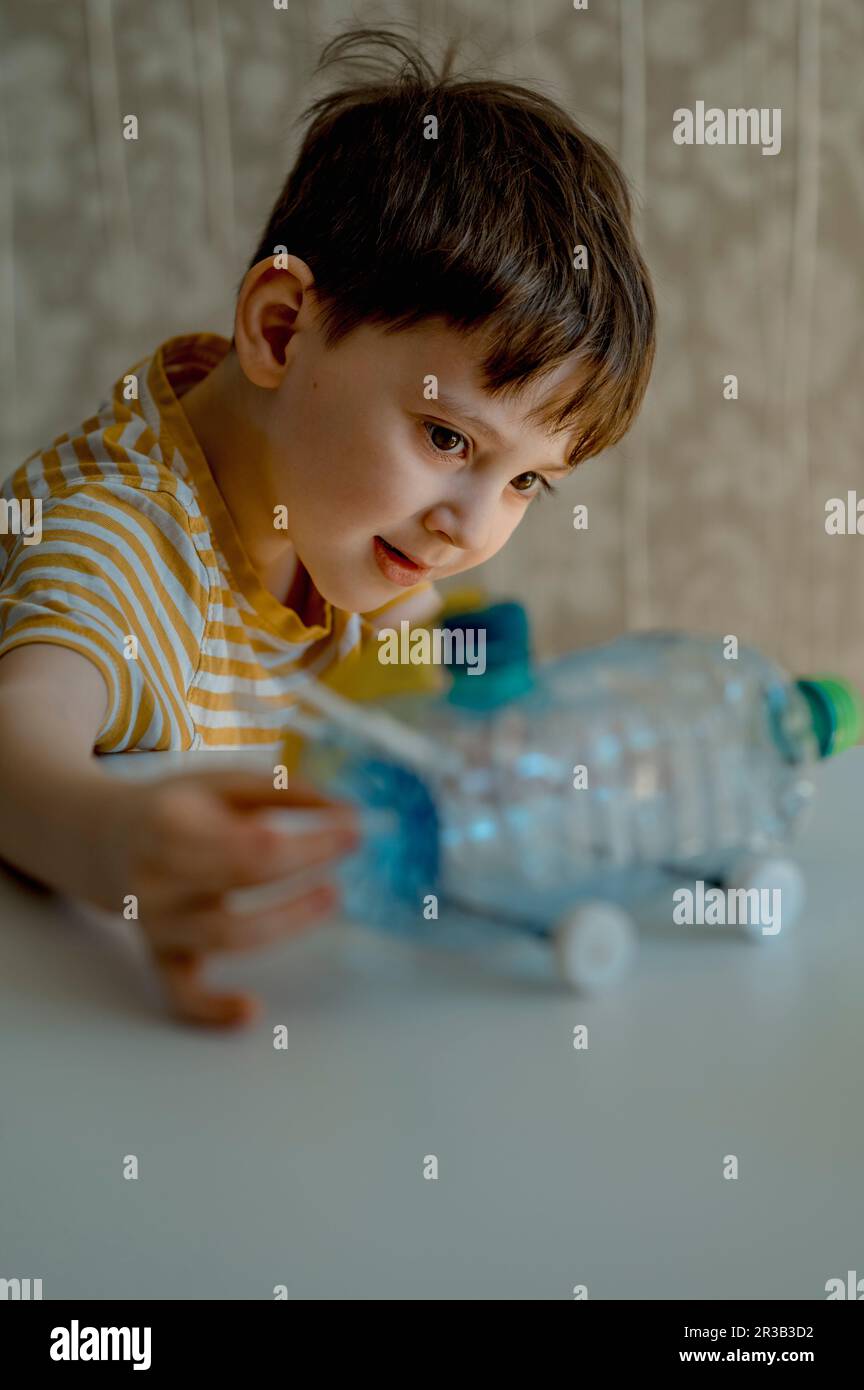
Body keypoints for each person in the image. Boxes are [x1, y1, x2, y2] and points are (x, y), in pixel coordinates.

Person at [0, 28, 655, 1026]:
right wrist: (115, 841)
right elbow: (16, 738)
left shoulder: (343, 527)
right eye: (446, 436)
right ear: (279, 329)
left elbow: (443, 683)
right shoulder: (116, 536)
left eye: (527, 481)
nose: (469, 525)